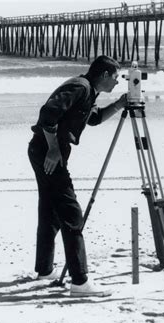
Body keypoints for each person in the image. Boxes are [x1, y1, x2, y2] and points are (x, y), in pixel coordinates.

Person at [28, 55, 127, 297]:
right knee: (72, 213)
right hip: (48, 150)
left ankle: (44, 270)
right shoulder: (79, 87)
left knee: (51, 211)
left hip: (46, 149)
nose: (116, 82)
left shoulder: (89, 90)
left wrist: (120, 104)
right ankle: (80, 283)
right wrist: (53, 149)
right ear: (104, 75)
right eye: (115, 77)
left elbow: (93, 119)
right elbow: (47, 114)